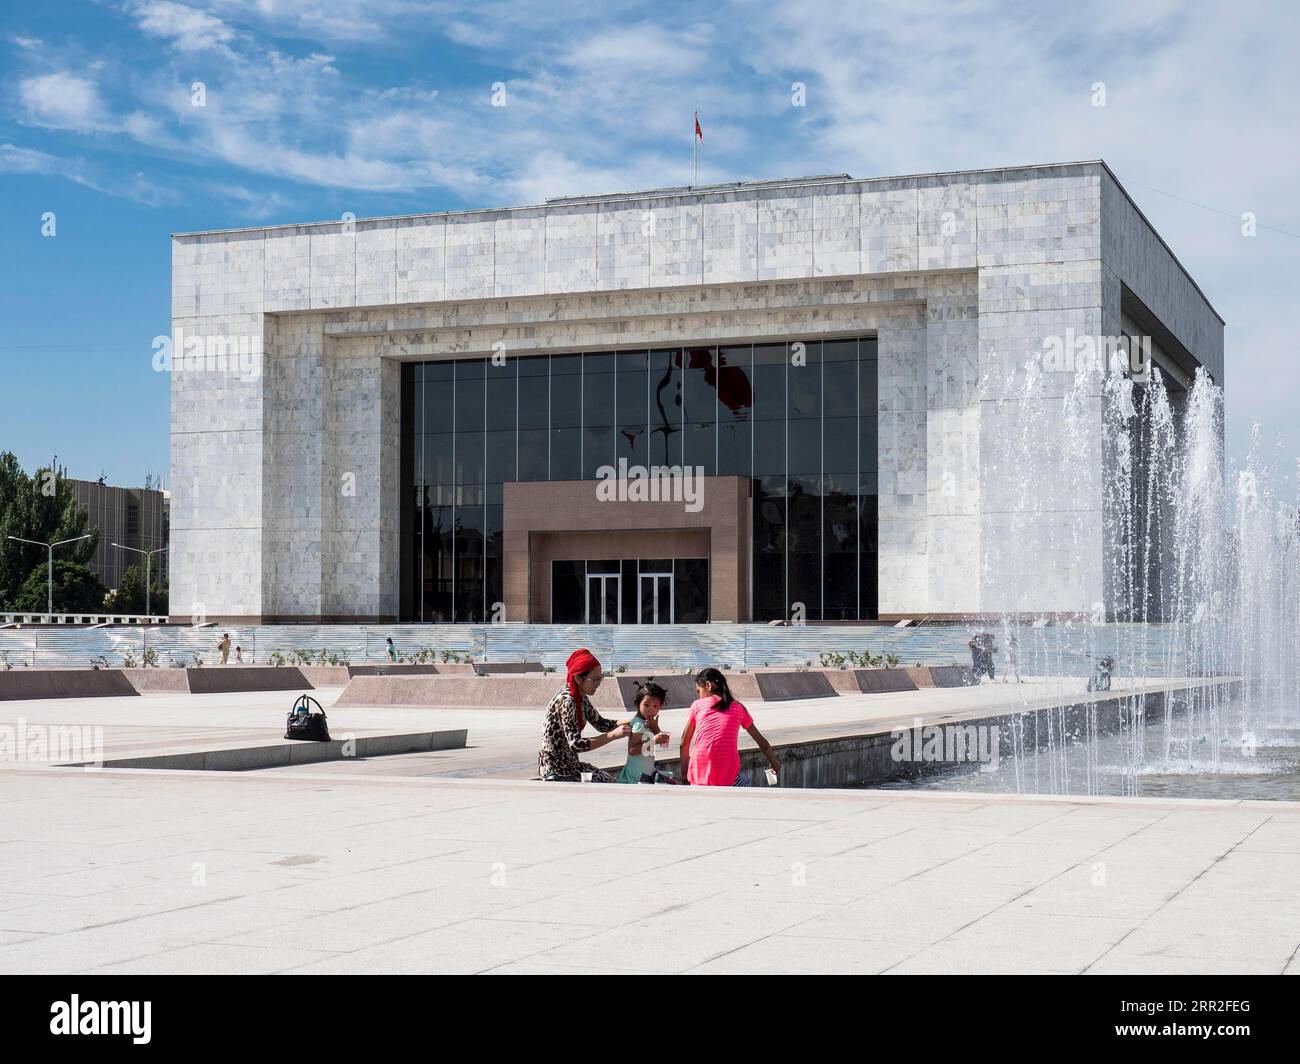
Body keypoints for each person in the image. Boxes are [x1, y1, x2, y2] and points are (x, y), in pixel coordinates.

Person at [537, 648, 629, 782]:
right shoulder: (567, 701)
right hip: (557, 769)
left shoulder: (580, 697)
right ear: (578, 678)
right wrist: (612, 736)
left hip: (570, 764)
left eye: (600, 679)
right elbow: (576, 744)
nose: (598, 684)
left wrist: (633, 721)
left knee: (610, 779)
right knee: (608, 782)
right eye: (595, 680)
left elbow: (601, 723)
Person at [679, 667, 779, 787]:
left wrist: (685, 775)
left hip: (697, 774)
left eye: (698, 691)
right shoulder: (738, 707)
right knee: (745, 782)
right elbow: (762, 743)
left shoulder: (697, 706)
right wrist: (774, 762)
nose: (699, 696)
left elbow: (684, 743)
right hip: (727, 777)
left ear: (708, 685)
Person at [618, 681, 675, 784]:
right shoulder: (639, 724)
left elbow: (664, 743)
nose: (650, 710)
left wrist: (655, 728)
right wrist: (653, 741)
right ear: (638, 703)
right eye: (646, 705)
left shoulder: (648, 723)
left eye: (655, 706)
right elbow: (633, 750)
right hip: (637, 775)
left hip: (645, 772)